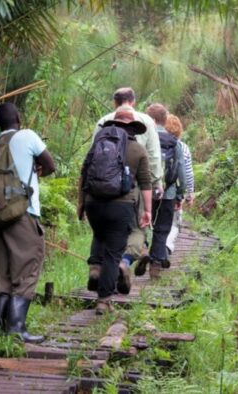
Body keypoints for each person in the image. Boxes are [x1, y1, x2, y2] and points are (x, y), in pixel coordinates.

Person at [0, 103, 55, 343]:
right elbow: (50, 165)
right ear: (18, 118)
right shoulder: (27, 136)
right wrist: (37, 170)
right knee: (26, 268)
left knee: (2, 272)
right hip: (23, 213)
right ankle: (17, 328)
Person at [87, 87, 163, 292]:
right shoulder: (147, 122)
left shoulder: (102, 122)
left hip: (98, 191)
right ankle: (124, 262)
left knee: (101, 232)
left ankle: (96, 267)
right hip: (132, 191)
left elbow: (91, 158)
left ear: (115, 103)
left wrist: (84, 198)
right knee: (136, 229)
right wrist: (157, 185)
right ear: (133, 101)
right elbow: (154, 158)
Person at [79, 109, 153, 314]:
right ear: (132, 128)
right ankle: (104, 301)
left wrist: (81, 204)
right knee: (113, 252)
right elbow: (146, 183)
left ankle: (95, 269)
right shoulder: (137, 149)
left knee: (99, 236)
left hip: (93, 202)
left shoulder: (97, 145)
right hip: (121, 206)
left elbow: (83, 174)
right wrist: (147, 210)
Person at [142, 104, 186, 279]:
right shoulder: (174, 142)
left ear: (150, 119)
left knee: (141, 224)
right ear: (164, 119)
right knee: (162, 228)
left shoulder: (143, 138)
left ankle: (142, 249)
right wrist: (180, 194)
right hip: (168, 192)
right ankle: (156, 266)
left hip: (145, 191)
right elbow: (180, 169)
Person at [164, 114, 194, 256]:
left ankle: (149, 248)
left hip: (151, 190)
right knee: (174, 222)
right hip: (172, 191)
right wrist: (188, 193)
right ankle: (167, 246)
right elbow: (187, 173)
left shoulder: (153, 142)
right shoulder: (183, 147)